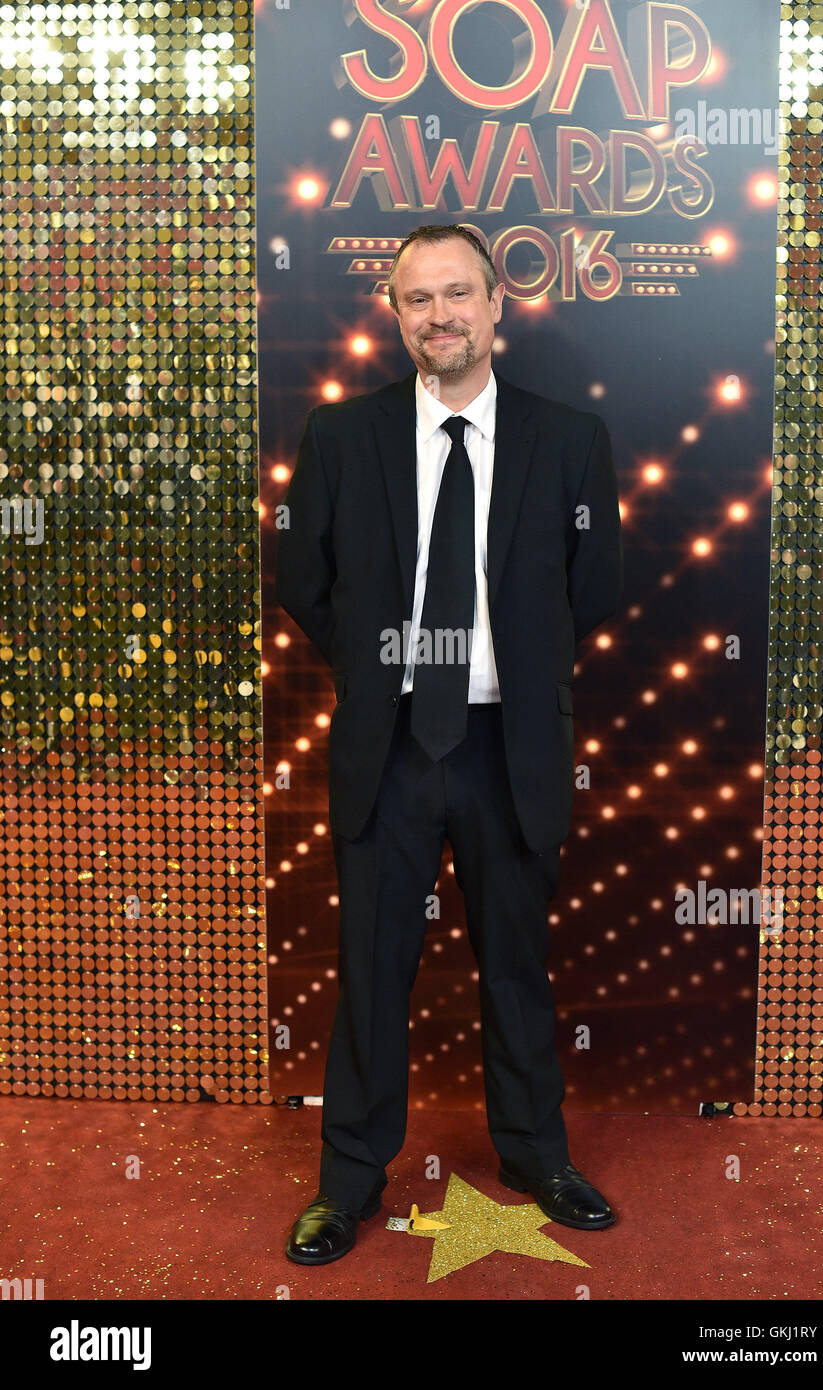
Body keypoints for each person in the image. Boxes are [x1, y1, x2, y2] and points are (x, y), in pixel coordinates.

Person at [276, 224, 623, 1266]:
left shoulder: (570, 440)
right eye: (419, 299)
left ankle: (534, 1155)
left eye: (459, 294)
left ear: (496, 305)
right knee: (372, 971)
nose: (442, 316)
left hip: (507, 743)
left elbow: (591, 588)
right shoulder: (341, 436)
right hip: (388, 747)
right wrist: (382, 669)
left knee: (516, 966)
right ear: (395, 313)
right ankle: (347, 1182)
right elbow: (303, 578)